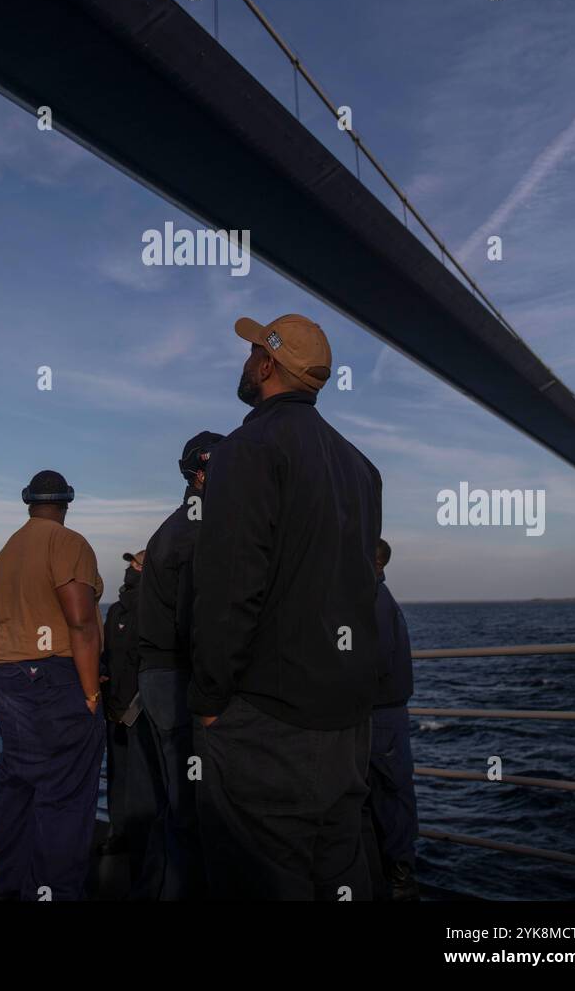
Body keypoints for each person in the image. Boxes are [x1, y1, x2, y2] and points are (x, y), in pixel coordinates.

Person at [189, 314, 382, 901]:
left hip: (269, 725)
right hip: (348, 721)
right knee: (336, 873)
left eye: (252, 352)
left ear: (268, 365)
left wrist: (209, 701)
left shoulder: (247, 449)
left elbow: (230, 589)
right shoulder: (361, 468)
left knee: (261, 877)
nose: (245, 362)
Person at [0, 470, 105, 902]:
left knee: (17, 788)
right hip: (54, 678)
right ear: (67, 502)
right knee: (66, 797)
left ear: (28, 501)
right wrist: (91, 693)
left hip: (7, 675)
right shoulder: (68, 543)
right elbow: (81, 621)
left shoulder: (6, 552)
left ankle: (5, 890)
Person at [137, 430, 224, 899]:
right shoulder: (197, 533)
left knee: (174, 802)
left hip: (158, 675)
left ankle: (152, 888)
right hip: (178, 678)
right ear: (203, 473)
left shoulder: (174, 527)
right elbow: (198, 623)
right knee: (190, 809)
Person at [101, 549, 163, 895]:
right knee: (117, 773)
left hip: (139, 709)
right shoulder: (116, 610)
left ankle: (139, 841)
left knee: (141, 780)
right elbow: (108, 653)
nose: (129, 569)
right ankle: (118, 832)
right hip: (114, 705)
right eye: (129, 564)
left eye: (135, 564)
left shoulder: (150, 608)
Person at [368, 538, 419, 900]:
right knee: (391, 796)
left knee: (389, 798)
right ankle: (395, 878)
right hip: (388, 716)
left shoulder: (371, 602)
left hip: (379, 716)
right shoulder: (382, 600)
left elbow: (374, 662)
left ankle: (398, 881)